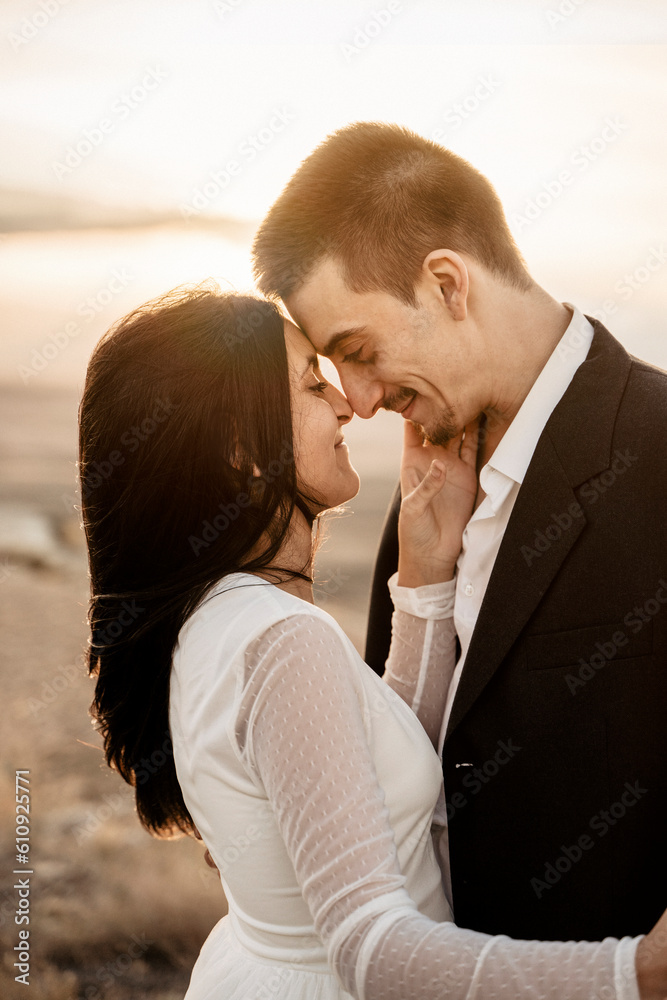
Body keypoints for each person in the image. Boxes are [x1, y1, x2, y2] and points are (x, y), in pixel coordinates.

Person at [78, 284, 667, 999]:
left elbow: (365, 773)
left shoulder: (206, 614)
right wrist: (633, 973)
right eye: (310, 383)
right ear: (241, 448)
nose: (345, 404)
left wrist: (421, 581)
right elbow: (375, 955)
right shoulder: (282, 640)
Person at [252, 120, 667, 944]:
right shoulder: (423, 499)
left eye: (360, 350)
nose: (361, 401)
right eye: (337, 371)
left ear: (447, 283)